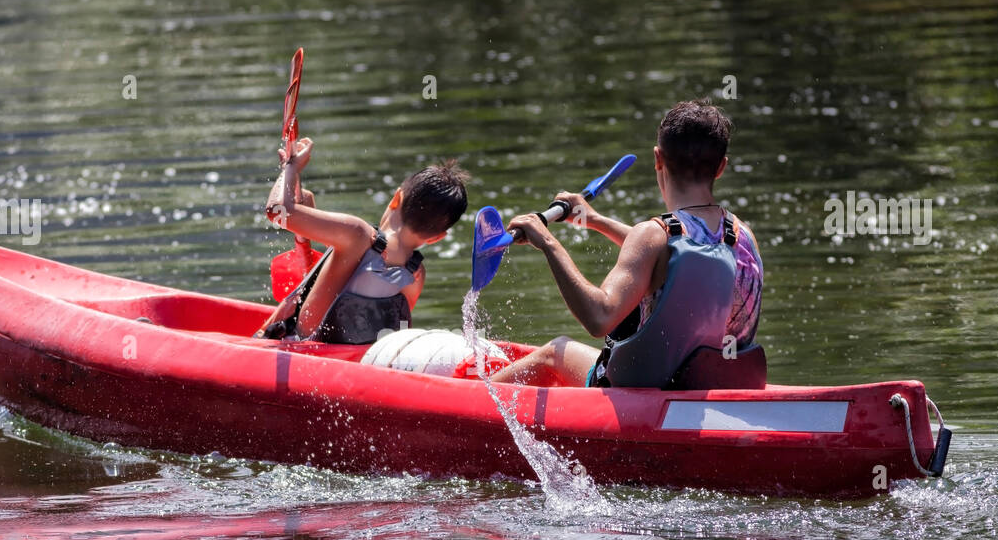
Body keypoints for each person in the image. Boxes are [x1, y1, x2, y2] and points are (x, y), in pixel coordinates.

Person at [490, 100, 763, 388]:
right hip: (724, 386)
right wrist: (593, 219)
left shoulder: (652, 236)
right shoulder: (742, 235)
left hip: (647, 394)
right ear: (721, 167)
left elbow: (599, 318)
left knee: (554, 352)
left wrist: (546, 242)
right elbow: (673, 256)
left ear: (658, 159)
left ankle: (464, 400)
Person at [259, 138, 468, 344]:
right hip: (352, 365)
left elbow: (278, 212)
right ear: (437, 238)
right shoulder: (416, 277)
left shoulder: (356, 234)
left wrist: (290, 167)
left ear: (396, 198)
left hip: (298, 350)